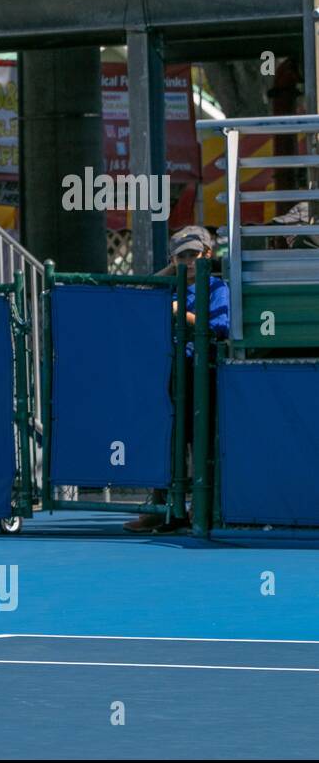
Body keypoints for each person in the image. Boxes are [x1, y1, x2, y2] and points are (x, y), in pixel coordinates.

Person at [124, 225, 230, 533]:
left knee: (201, 441)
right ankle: (164, 509)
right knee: (166, 439)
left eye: (193, 255)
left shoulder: (216, 289)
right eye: (181, 256)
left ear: (207, 255)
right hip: (167, 372)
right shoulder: (170, 284)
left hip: (200, 373)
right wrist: (172, 268)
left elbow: (219, 328)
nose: (187, 262)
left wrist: (177, 311)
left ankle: (201, 510)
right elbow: (139, 297)